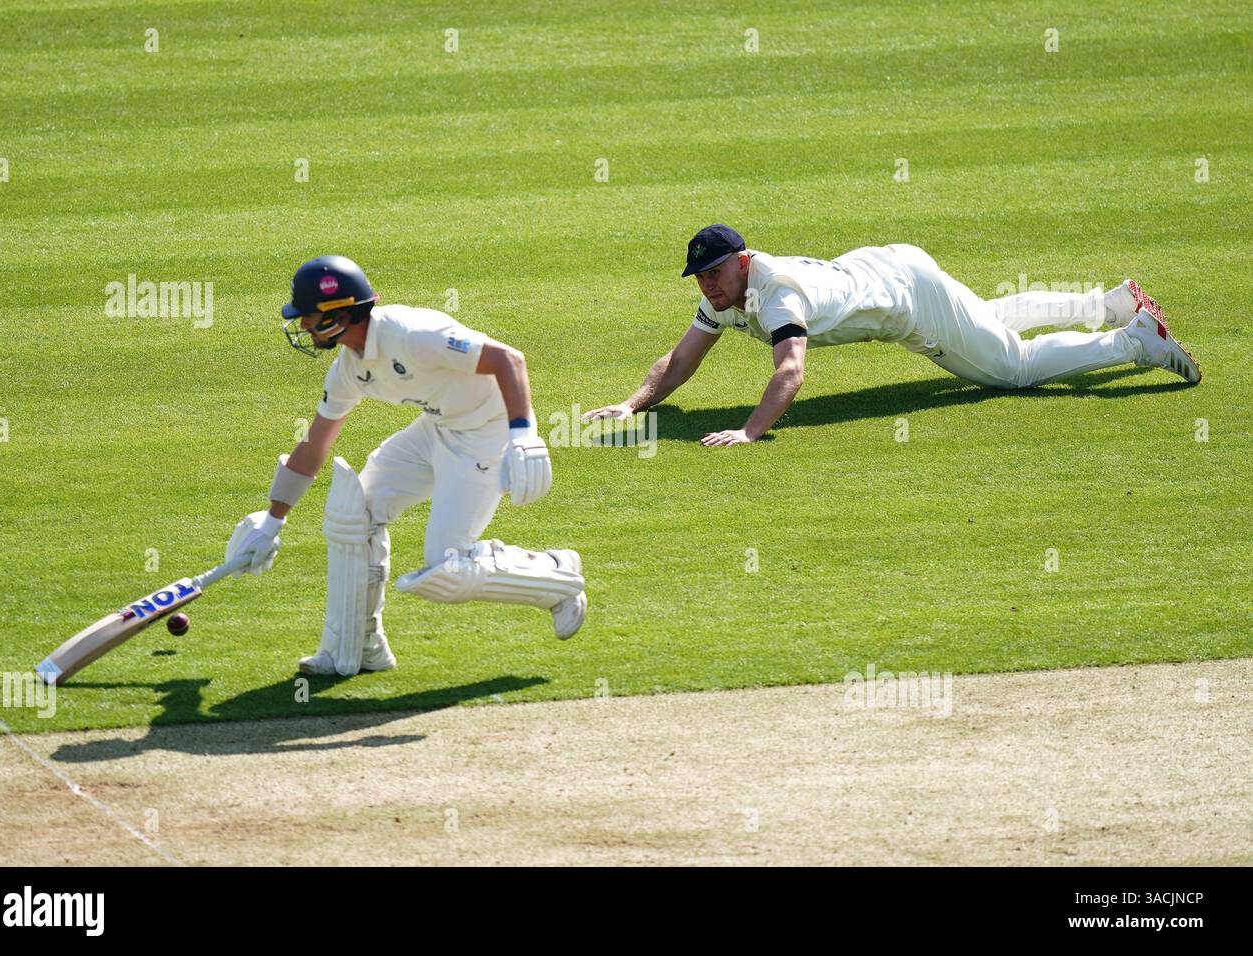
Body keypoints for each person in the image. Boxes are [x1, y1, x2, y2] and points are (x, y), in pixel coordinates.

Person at [227, 255, 586, 676]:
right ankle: (360, 645)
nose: (302, 327)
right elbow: (314, 444)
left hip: (487, 434)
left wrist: (521, 434)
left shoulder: (413, 334)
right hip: (436, 428)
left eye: (307, 317)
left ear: (337, 314)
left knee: (447, 565)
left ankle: (558, 580)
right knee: (354, 514)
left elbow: (509, 359)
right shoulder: (349, 367)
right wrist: (272, 521)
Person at [583, 225, 1201, 445]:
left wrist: (748, 432)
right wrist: (633, 402)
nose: (707, 287)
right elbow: (682, 358)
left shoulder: (775, 297)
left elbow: (791, 372)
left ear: (742, 262)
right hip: (894, 265)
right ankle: (1108, 304)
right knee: (983, 319)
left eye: (714, 273)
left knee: (1013, 368)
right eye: (699, 277)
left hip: (909, 304)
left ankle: (1135, 341)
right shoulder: (728, 293)